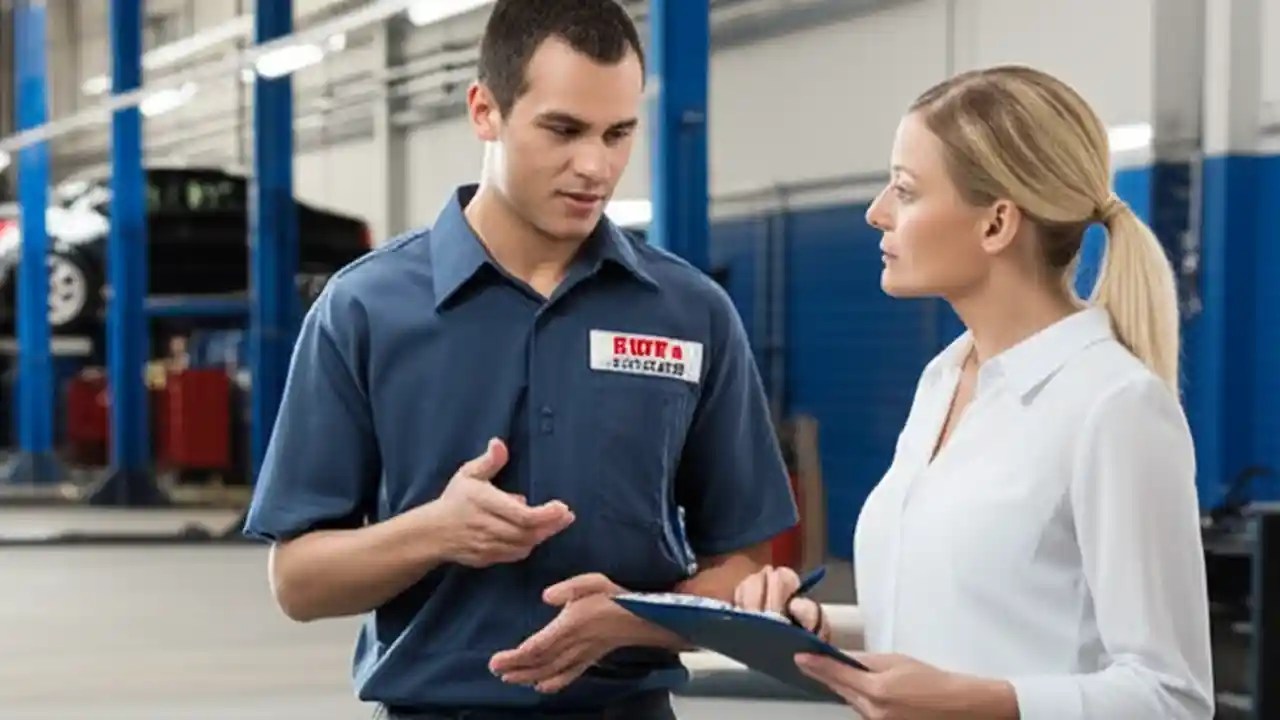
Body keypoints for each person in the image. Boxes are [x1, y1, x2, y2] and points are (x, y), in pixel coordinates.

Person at [241, 1, 799, 718]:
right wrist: (435, 532)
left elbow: (744, 564)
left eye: (618, 133)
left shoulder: (691, 315)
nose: (596, 166)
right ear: (485, 111)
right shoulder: (366, 310)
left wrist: (635, 618)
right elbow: (298, 582)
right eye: (563, 130)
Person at [734, 65, 1215, 719]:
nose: (877, 212)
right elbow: (949, 625)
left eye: (905, 190)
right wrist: (821, 628)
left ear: (996, 224)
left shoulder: (1115, 406)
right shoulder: (943, 380)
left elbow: (1172, 697)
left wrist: (983, 702)